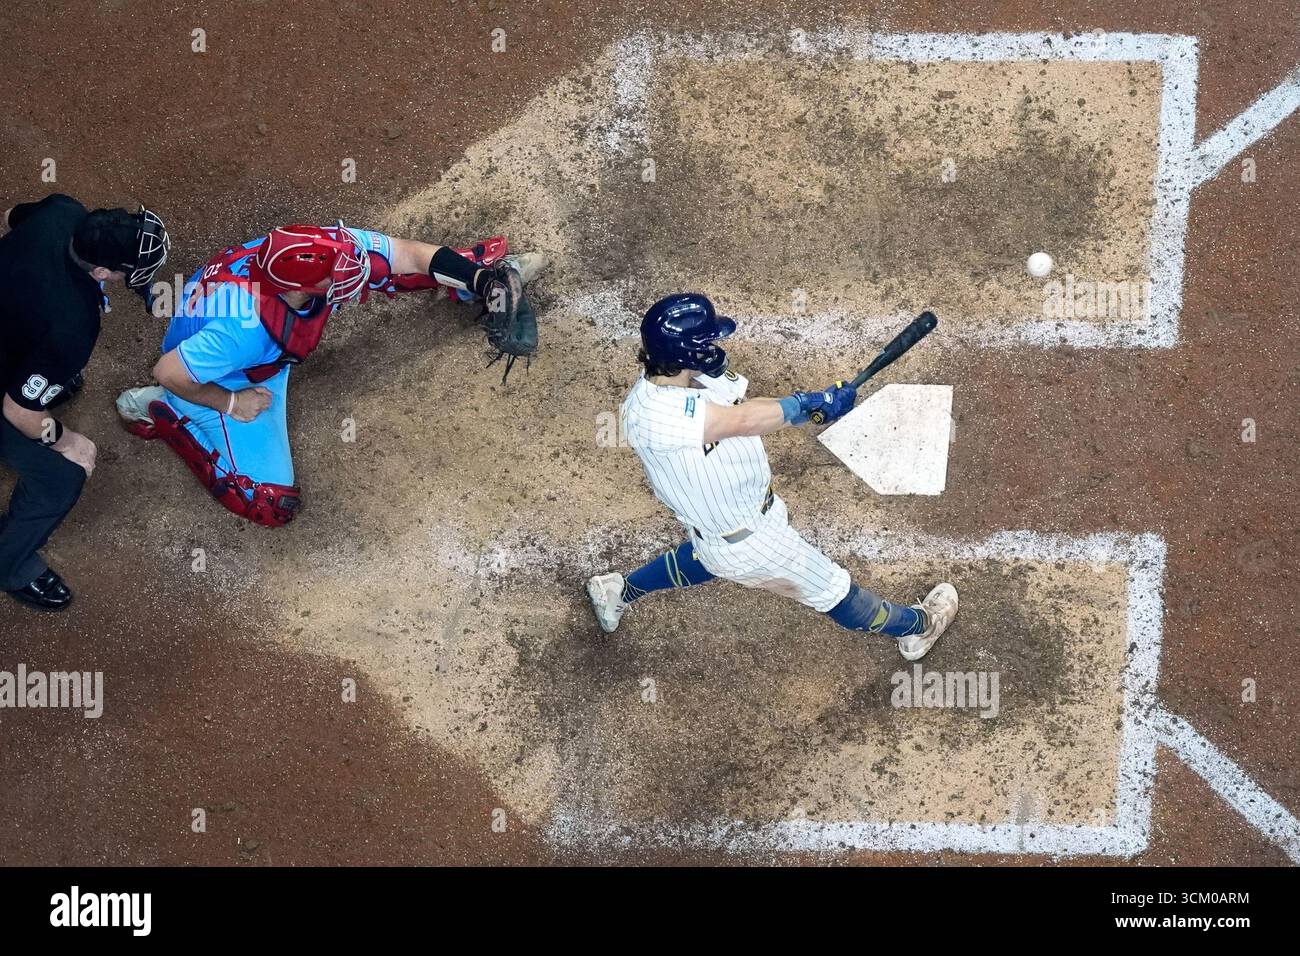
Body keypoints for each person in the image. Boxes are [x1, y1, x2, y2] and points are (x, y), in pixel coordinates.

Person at [585, 292, 959, 660]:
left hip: (736, 525)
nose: (713, 347)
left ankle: (618, 591)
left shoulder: (685, 379)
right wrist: (804, 403)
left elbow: (748, 410)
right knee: (836, 592)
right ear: (684, 353)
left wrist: (812, 409)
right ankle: (919, 628)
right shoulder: (653, 413)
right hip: (747, 542)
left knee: (707, 558)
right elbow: (742, 420)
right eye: (705, 342)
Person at [116, 222, 542, 526]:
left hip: (257, 343)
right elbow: (169, 369)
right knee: (267, 503)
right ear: (299, 289)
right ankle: (160, 409)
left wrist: (482, 277)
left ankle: (474, 280)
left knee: (401, 269)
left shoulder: (317, 247)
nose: (351, 271)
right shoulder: (242, 328)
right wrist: (232, 402)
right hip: (228, 374)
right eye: (338, 277)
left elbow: (407, 254)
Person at [0, 194, 170, 609]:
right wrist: (65, 441)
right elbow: (18, 411)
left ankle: (41, 381)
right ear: (99, 270)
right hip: (10, 397)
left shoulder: (63, 211)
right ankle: (9, 566)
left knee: (49, 378)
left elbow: (9, 217)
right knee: (63, 477)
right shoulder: (74, 325)